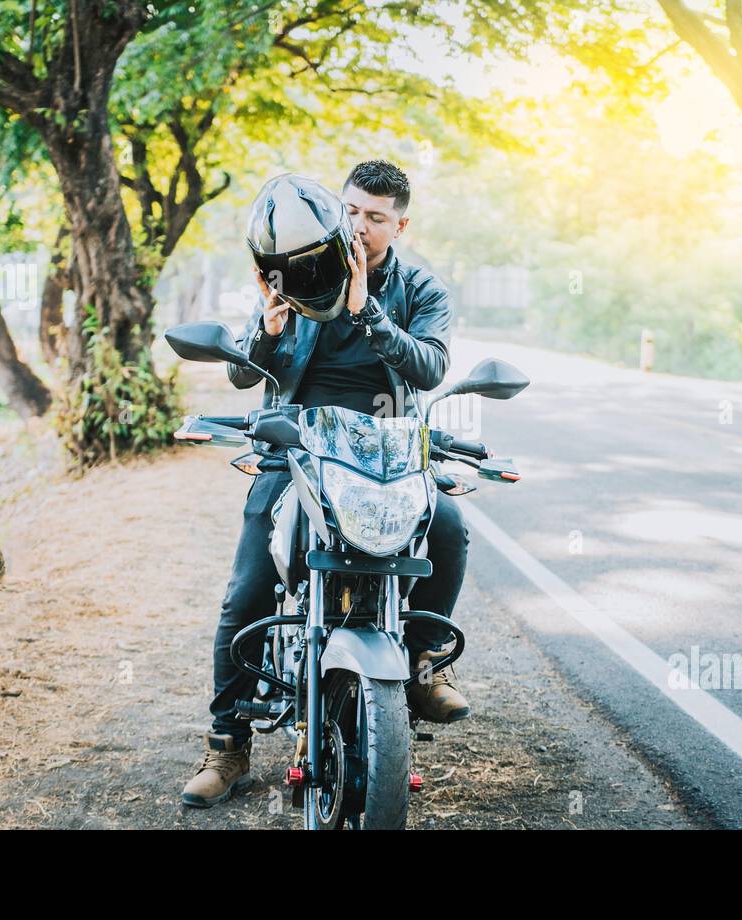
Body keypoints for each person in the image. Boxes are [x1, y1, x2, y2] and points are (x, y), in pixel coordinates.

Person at [182, 161, 471, 808]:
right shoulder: (300, 265)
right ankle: (227, 744)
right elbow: (241, 375)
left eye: (375, 217)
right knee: (248, 586)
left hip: (387, 447)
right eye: (352, 212)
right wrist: (267, 329)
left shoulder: (420, 285)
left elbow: (428, 369)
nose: (360, 226)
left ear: (400, 224)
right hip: (296, 444)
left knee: (449, 530)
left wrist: (370, 314)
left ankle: (422, 665)